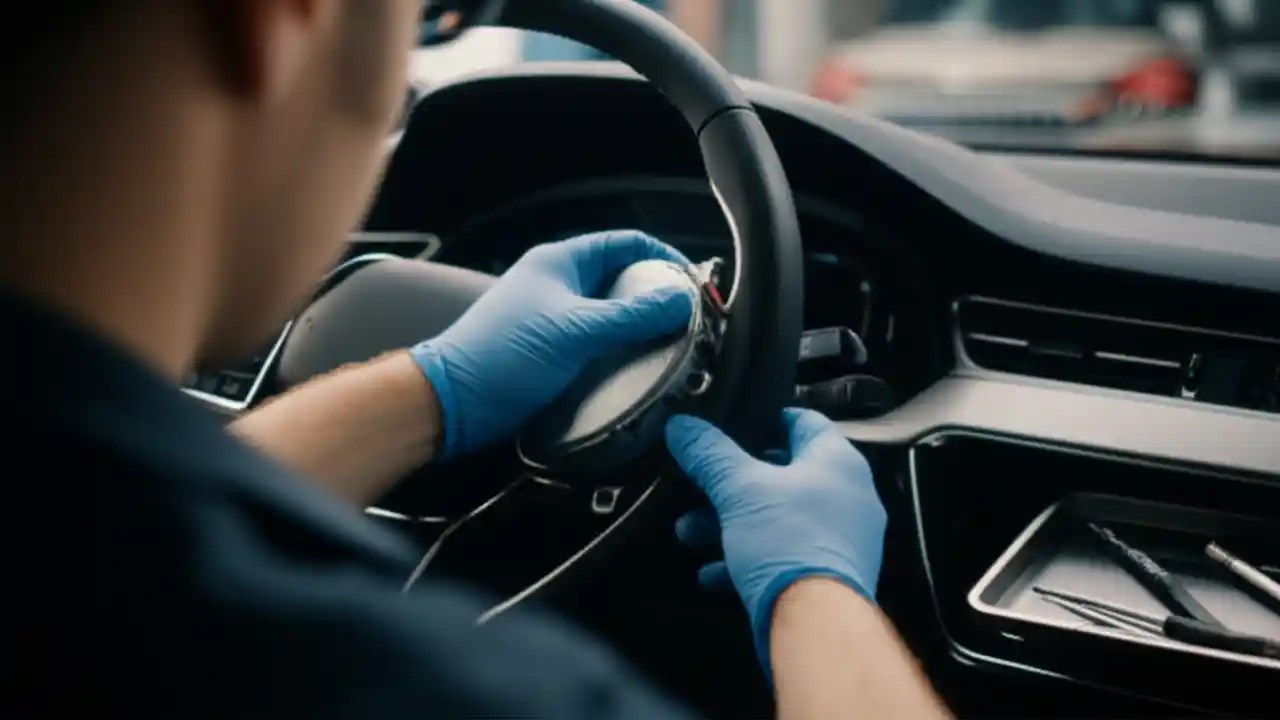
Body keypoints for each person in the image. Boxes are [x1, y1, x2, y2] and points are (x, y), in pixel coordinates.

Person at [5, 2, 950, 717]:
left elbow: (125, 533)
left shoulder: (85, 564)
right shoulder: (427, 687)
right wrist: (816, 595)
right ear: (282, 18)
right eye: (415, 31)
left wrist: (430, 388)